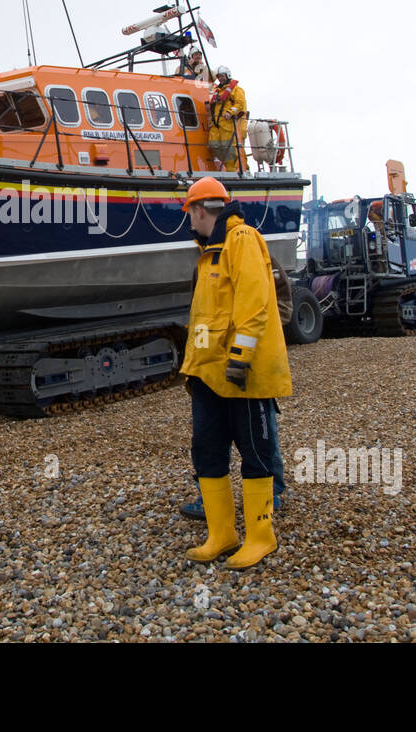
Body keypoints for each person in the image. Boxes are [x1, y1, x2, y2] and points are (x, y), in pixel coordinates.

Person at [180, 177, 293, 569]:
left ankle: (261, 537)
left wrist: (240, 358)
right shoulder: (209, 251)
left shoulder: (241, 239)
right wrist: (193, 369)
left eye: (189, 214)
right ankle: (222, 534)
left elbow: (255, 303)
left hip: (240, 373)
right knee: (207, 451)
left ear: (198, 210)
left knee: (255, 453)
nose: (189, 223)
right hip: (209, 374)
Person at [179, 248, 292, 520]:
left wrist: (249, 347)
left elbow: (280, 307)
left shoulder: (257, 257)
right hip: (213, 370)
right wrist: (202, 358)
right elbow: (201, 317)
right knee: (209, 439)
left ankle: (270, 493)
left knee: (259, 436)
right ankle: (211, 499)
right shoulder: (203, 265)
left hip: (248, 369)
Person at [207, 66, 248, 172]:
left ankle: (232, 170)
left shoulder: (236, 90)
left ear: (227, 75)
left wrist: (230, 112)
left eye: (222, 76)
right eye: (219, 76)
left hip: (227, 123)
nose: (221, 78)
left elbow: (240, 103)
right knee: (214, 145)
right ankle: (228, 167)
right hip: (216, 123)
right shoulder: (217, 91)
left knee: (229, 148)